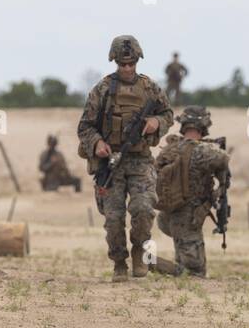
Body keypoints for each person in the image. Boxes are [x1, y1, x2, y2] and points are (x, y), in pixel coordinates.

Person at [77, 35, 174, 281]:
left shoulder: (150, 88)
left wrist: (156, 122)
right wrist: (97, 143)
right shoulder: (102, 90)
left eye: (131, 64)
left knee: (143, 208)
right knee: (113, 217)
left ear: (137, 61)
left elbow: (168, 114)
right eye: (123, 64)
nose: (127, 69)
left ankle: (139, 250)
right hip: (111, 162)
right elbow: (85, 127)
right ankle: (119, 261)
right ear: (115, 62)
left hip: (140, 159)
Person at [152, 106, 230, 277]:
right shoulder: (201, 150)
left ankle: (166, 264)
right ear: (204, 127)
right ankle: (148, 261)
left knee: (185, 258)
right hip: (188, 216)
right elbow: (223, 158)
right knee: (195, 272)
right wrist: (215, 145)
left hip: (168, 214)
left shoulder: (170, 147)